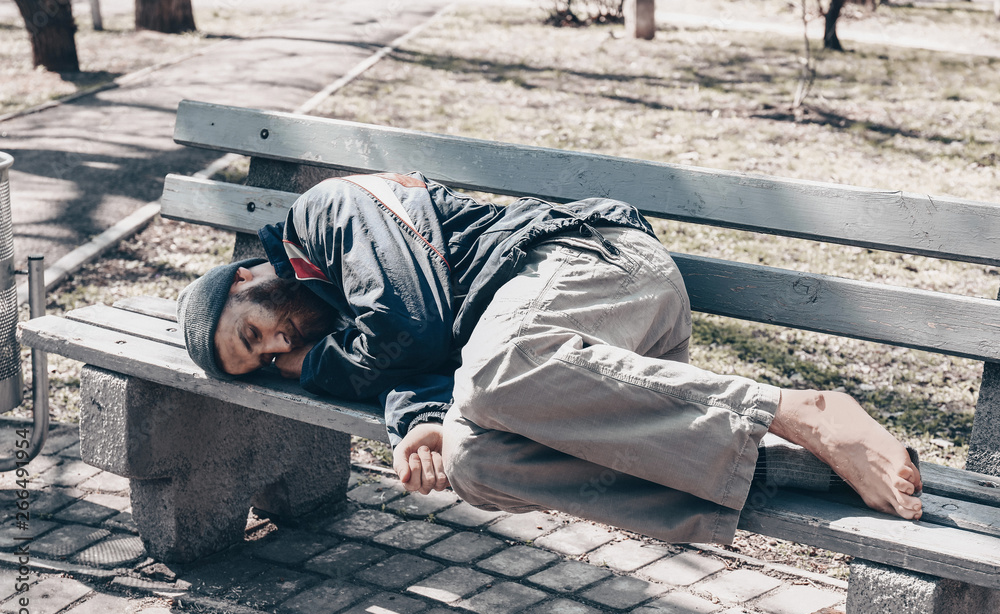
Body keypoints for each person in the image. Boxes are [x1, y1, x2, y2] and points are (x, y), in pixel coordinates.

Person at [177, 172, 922, 545]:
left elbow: (412, 323)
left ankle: (793, 409)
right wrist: (422, 426)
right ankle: (778, 468)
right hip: (582, 372)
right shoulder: (344, 333)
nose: (280, 346)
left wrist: (311, 371)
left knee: (495, 370)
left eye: (255, 336)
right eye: (265, 362)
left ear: (247, 276)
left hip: (594, 268)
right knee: (474, 462)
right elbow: (412, 374)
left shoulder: (325, 215)